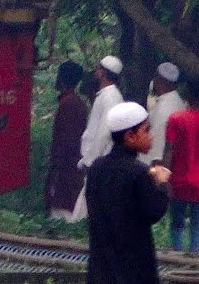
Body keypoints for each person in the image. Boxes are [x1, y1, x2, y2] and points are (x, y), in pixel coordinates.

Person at [85, 101, 170, 284]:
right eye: (146, 130)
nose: (151, 136)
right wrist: (162, 184)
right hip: (134, 269)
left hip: (101, 268)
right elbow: (154, 211)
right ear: (130, 136)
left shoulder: (96, 168)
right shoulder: (137, 172)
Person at [73, 55, 125, 222]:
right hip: (101, 159)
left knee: (91, 203)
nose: (96, 71)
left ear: (103, 73)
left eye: (98, 68)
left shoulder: (110, 97)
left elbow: (104, 132)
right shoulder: (106, 95)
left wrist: (91, 160)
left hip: (101, 159)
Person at [45, 61, 87, 219]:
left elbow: (65, 139)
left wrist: (56, 164)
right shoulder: (78, 103)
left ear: (61, 79)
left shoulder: (68, 104)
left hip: (66, 165)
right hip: (72, 162)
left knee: (62, 203)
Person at [165, 77, 199, 252]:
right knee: (198, 225)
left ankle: (175, 259)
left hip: (178, 180)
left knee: (177, 223)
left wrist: (165, 177)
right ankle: (196, 263)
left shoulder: (176, 118)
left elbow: (169, 150)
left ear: (187, 94)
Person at [143, 62, 184, 166]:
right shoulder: (177, 101)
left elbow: (157, 140)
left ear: (159, 80)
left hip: (155, 163)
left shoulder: (164, 107)